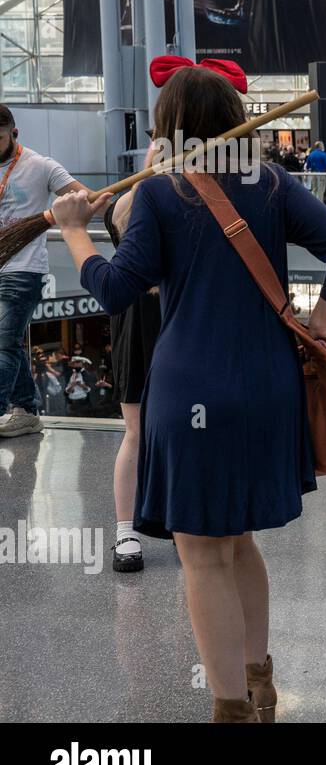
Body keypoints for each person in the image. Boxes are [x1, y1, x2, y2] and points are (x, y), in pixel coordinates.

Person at [51, 61, 326, 722]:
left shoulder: (164, 195)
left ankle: (229, 708)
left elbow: (113, 290)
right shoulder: (272, 182)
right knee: (239, 541)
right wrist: (320, 321)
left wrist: (74, 228)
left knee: (203, 556)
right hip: (269, 387)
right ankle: (260, 681)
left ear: (171, 131)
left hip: (193, 386)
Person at [0, 104, 95, 439]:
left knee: (4, 340)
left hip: (24, 270)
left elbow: (86, 197)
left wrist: (74, 208)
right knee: (6, 342)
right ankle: (26, 409)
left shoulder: (40, 166)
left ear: (14, 133)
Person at [102, 147, 165, 573]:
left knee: (186, 430)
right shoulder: (133, 196)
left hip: (182, 315)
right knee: (137, 429)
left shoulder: (200, 188)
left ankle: (184, 522)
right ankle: (126, 530)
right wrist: (149, 172)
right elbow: (120, 223)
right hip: (139, 317)